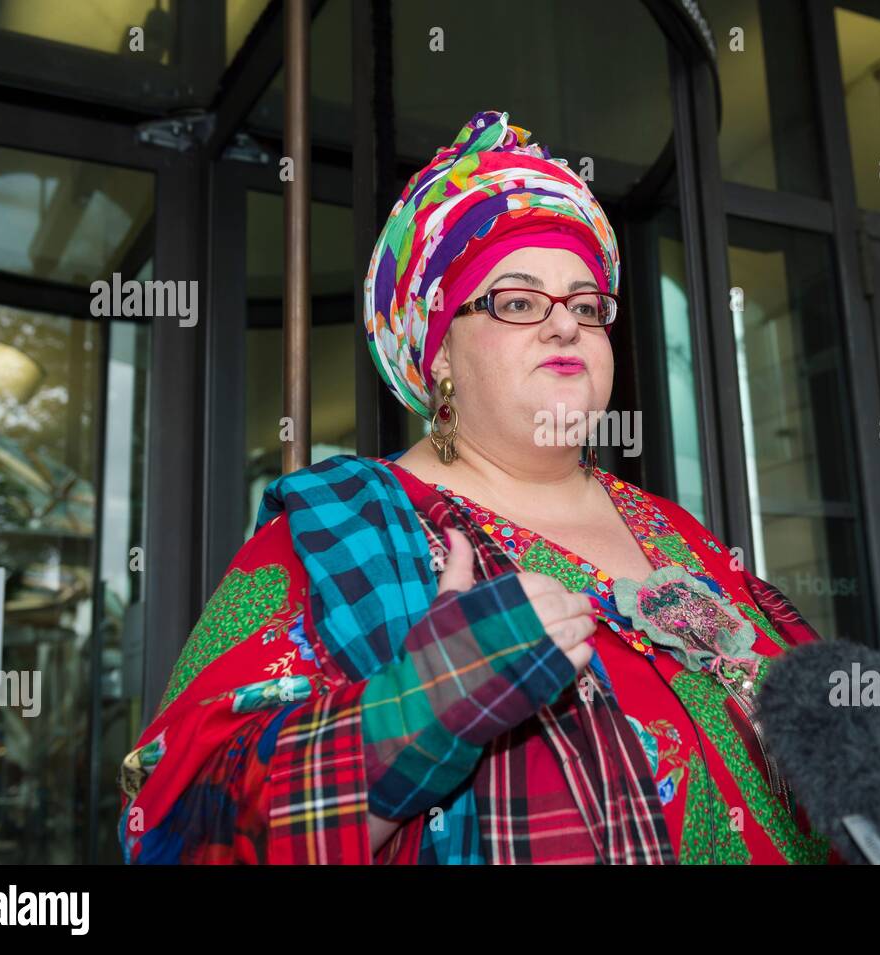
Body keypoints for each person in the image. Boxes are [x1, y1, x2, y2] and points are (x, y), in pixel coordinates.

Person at [118, 109, 841, 865]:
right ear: (438, 357)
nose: (566, 327)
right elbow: (174, 825)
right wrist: (414, 713)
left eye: (587, 305)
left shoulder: (676, 530)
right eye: (518, 301)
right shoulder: (341, 532)